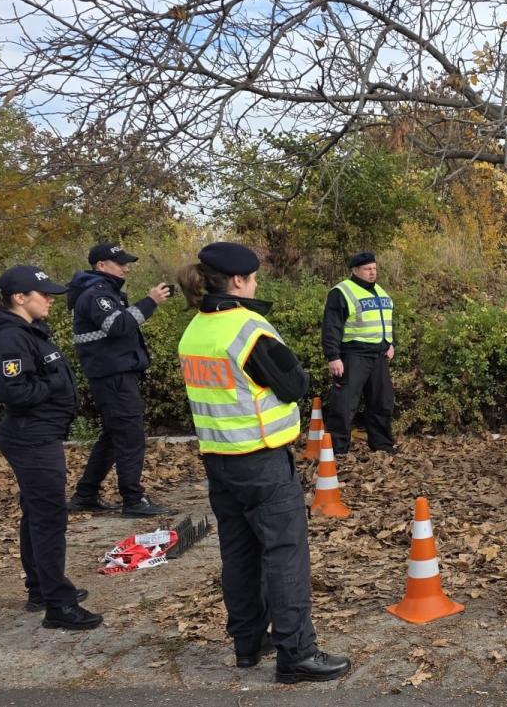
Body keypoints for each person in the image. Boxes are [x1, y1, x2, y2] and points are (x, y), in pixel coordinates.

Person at [176, 241, 350, 684]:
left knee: (239, 553)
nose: (256, 284)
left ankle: (248, 644)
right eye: (253, 277)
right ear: (238, 281)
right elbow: (293, 383)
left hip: (219, 460)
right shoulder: (248, 328)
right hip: (262, 460)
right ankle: (296, 653)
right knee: (285, 554)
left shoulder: (195, 329)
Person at [0, 265, 102, 631]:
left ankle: (41, 589)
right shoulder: (10, 336)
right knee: (49, 519)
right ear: (19, 298)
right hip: (32, 437)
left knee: (37, 513)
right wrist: (56, 388)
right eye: (43, 295)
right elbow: (13, 391)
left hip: (39, 435)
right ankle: (58, 605)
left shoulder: (25, 330)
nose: (50, 300)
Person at [67, 242, 173, 516]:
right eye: (120, 263)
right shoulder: (96, 294)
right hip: (112, 376)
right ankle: (133, 500)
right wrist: (151, 301)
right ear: (101, 265)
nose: (126, 267)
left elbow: (120, 325)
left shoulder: (105, 292)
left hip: (113, 374)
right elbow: (117, 326)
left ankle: (85, 494)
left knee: (114, 437)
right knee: (129, 436)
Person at [321, 251, 396, 456]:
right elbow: (331, 326)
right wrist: (333, 356)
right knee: (344, 404)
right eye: (367, 269)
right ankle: (338, 449)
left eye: (374, 268)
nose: (372, 273)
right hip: (353, 355)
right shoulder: (342, 291)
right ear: (355, 270)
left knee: (381, 402)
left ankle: (382, 445)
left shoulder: (379, 291)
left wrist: (390, 343)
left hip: (379, 355)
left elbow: (386, 321)